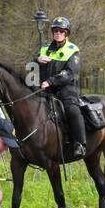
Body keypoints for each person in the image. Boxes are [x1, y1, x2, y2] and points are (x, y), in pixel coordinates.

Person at [37, 16, 84, 158]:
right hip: (46, 90)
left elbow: (69, 73)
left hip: (66, 90)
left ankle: (80, 144)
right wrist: (36, 59)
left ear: (67, 33)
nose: (58, 33)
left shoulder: (72, 50)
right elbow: (31, 66)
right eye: (56, 31)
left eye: (62, 31)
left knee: (73, 110)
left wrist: (50, 81)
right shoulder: (45, 49)